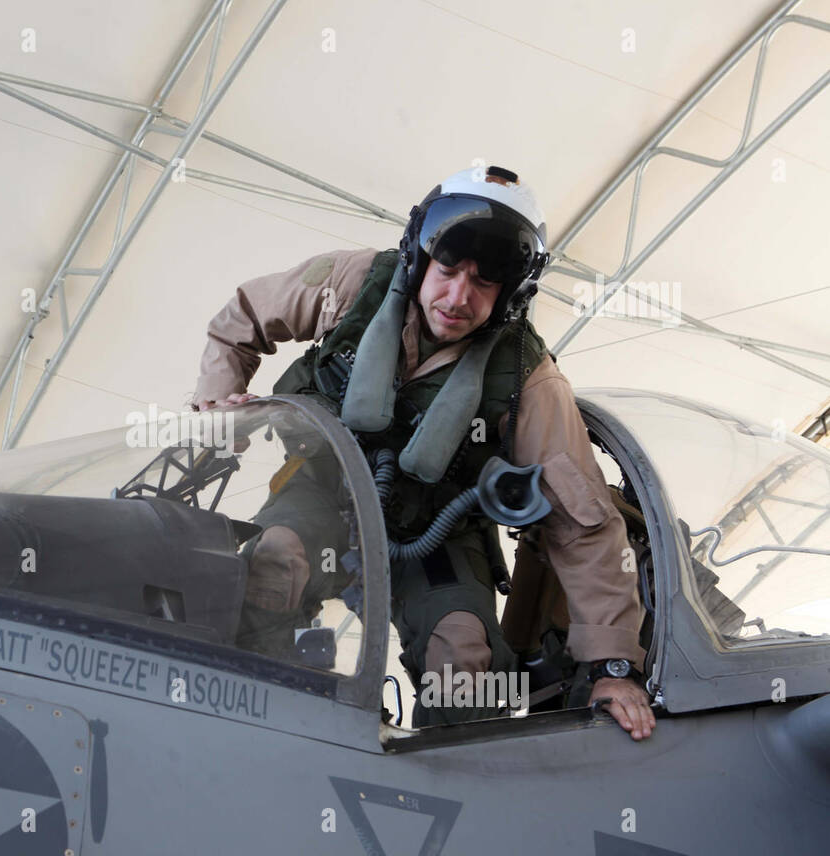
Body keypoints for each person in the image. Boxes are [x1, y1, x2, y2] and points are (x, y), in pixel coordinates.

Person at [191, 166, 655, 740]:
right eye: (449, 268)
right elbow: (242, 318)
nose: (459, 296)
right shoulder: (351, 283)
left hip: (437, 527)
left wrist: (613, 665)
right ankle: (257, 730)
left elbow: (582, 518)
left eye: (484, 282)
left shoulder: (527, 378)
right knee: (275, 560)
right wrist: (220, 417)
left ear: (510, 293)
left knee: (465, 654)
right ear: (419, 257)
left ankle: (444, 788)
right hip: (321, 488)